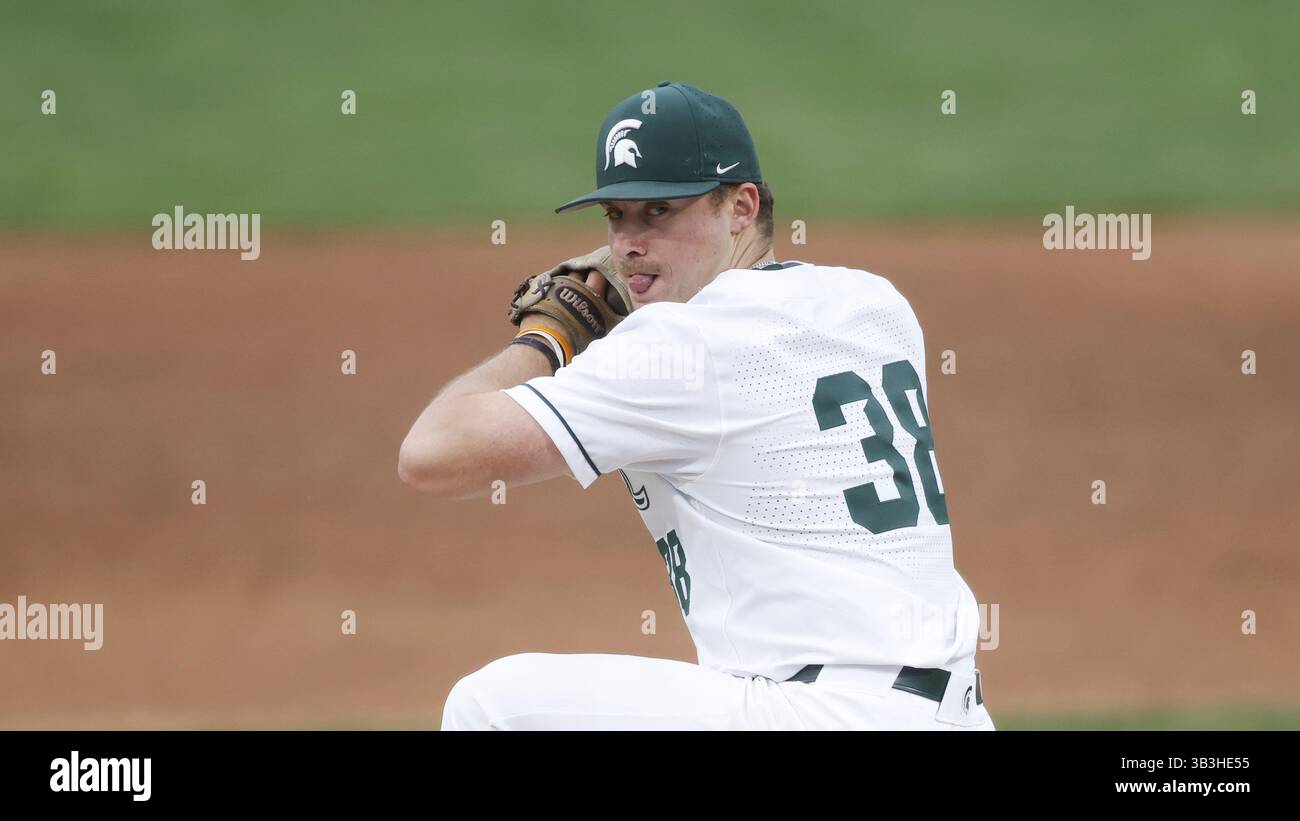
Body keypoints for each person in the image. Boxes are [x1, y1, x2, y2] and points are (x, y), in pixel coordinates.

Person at [399, 81, 992, 730]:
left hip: (818, 713)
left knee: (488, 705)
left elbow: (431, 455)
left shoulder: (676, 349)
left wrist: (551, 336)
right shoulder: (876, 306)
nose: (627, 243)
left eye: (658, 212)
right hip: (954, 712)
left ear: (740, 207)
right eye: (616, 216)